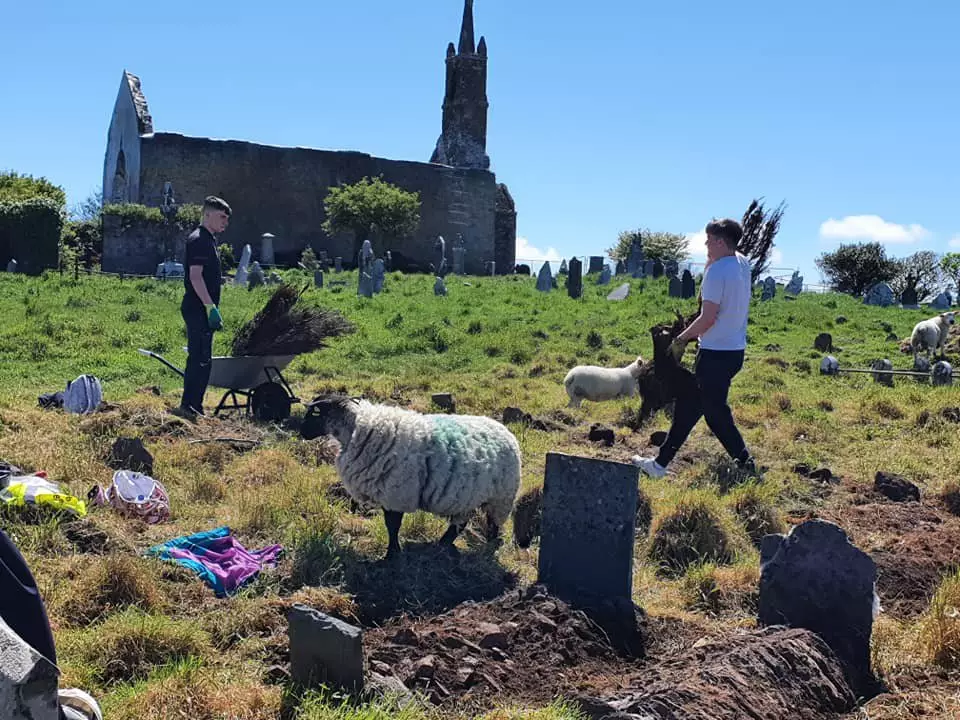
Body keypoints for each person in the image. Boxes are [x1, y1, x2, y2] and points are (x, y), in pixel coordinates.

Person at [633, 218, 758, 478]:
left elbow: (707, 317)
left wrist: (681, 339)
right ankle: (659, 464)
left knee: (714, 413)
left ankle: (745, 464)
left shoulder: (716, 273)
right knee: (690, 406)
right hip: (735, 352)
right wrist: (713, 260)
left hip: (714, 355)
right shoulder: (742, 263)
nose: (705, 244)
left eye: (710, 240)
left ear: (721, 242)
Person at [178, 196, 231, 417]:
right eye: (221, 217)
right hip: (197, 307)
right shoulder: (199, 239)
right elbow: (195, 277)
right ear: (207, 214)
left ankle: (193, 405)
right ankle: (190, 407)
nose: (225, 222)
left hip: (202, 307)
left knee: (202, 359)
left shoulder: (209, 240)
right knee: (199, 359)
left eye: (227, 219)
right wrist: (210, 306)